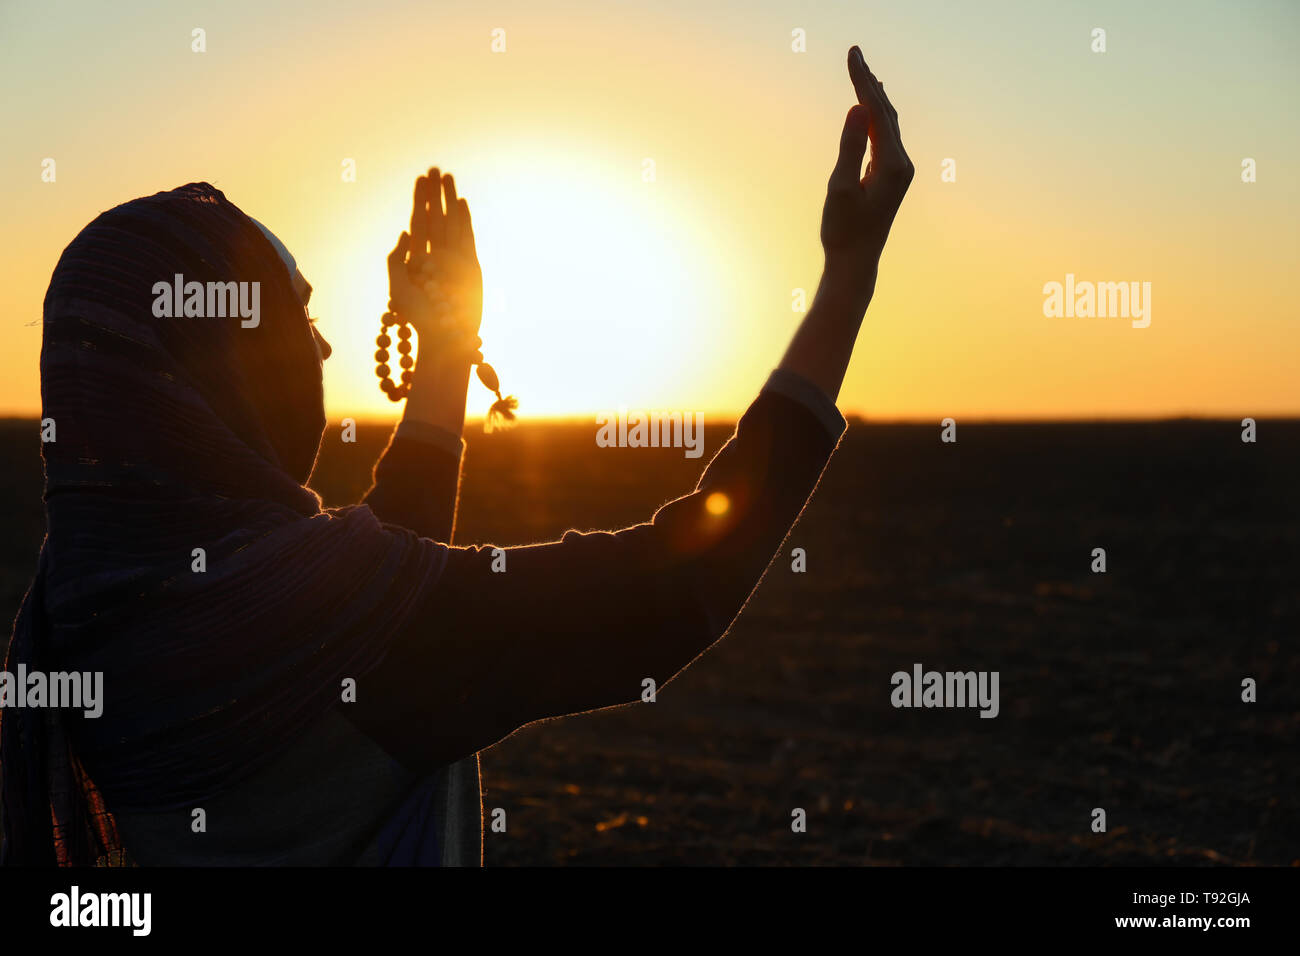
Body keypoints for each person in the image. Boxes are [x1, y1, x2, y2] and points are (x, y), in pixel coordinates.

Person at [0, 46, 912, 866]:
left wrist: (445, 355)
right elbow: (676, 592)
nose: (322, 352)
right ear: (228, 370)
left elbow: (368, 599)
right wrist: (848, 278)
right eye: (299, 321)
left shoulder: (75, 617)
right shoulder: (337, 630)